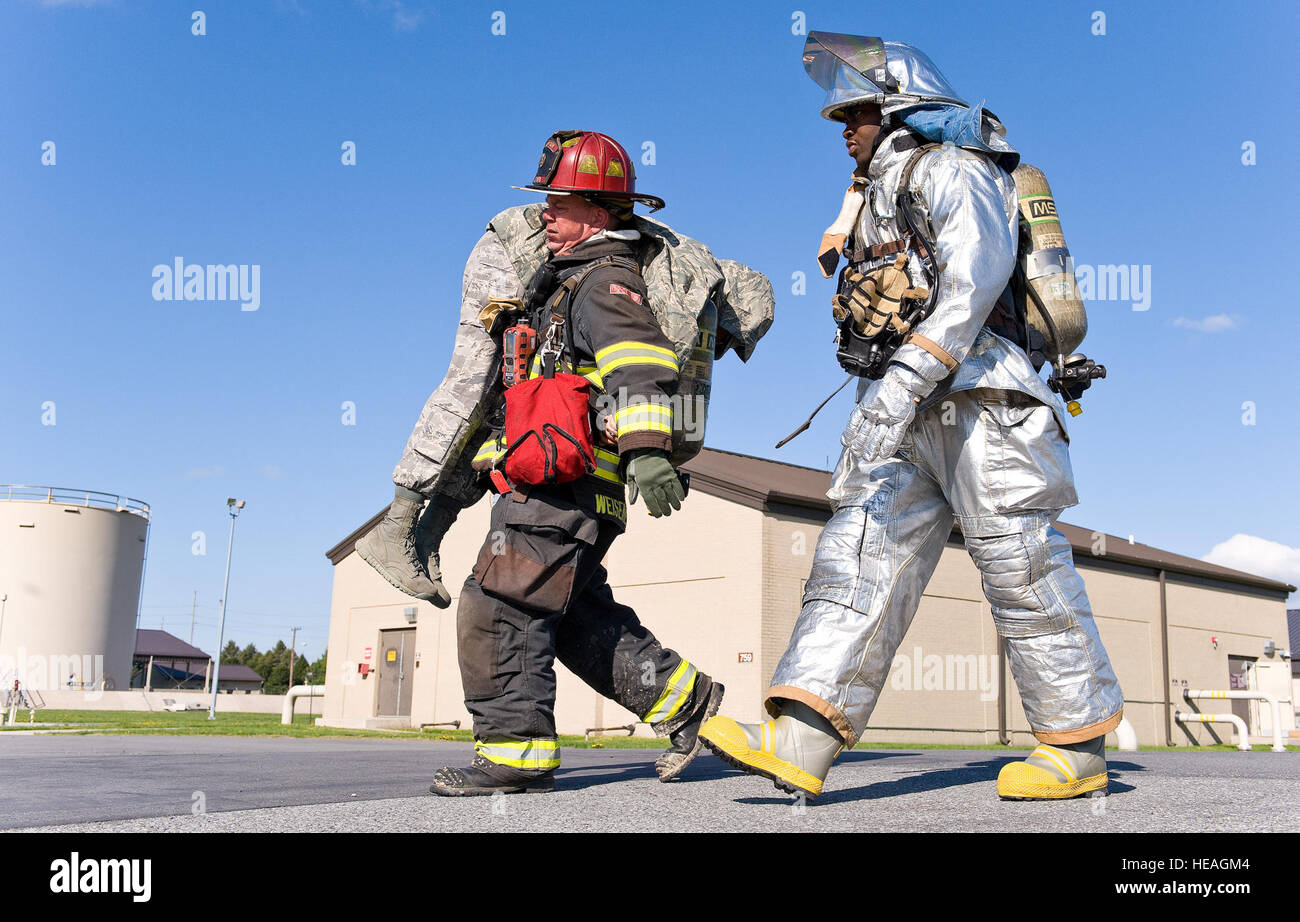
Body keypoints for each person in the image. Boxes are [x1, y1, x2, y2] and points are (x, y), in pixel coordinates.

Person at [700, 33, 1124, 801]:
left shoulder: (953, 170)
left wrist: (897, 389)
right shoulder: (877, 196)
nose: (844, 129)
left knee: (1019, 566)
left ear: (897, 108)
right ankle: (803, 735)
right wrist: (888, 394)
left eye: (855, 113)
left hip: (987, 402)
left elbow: (974, 281)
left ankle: (1078, 749)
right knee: (855, 558)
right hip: (908, 409)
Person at [365, 130, 731, 794]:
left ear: (600, 209)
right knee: (568, 614)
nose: (546, 214)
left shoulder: (603, 281)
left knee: (497, 602)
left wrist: (648, 452)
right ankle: (684, 702)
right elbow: (539, 400)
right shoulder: (561, 287)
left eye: (559, 201)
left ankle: (514, 756)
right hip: (560, 489)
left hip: (564, 491)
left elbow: (639, 365)